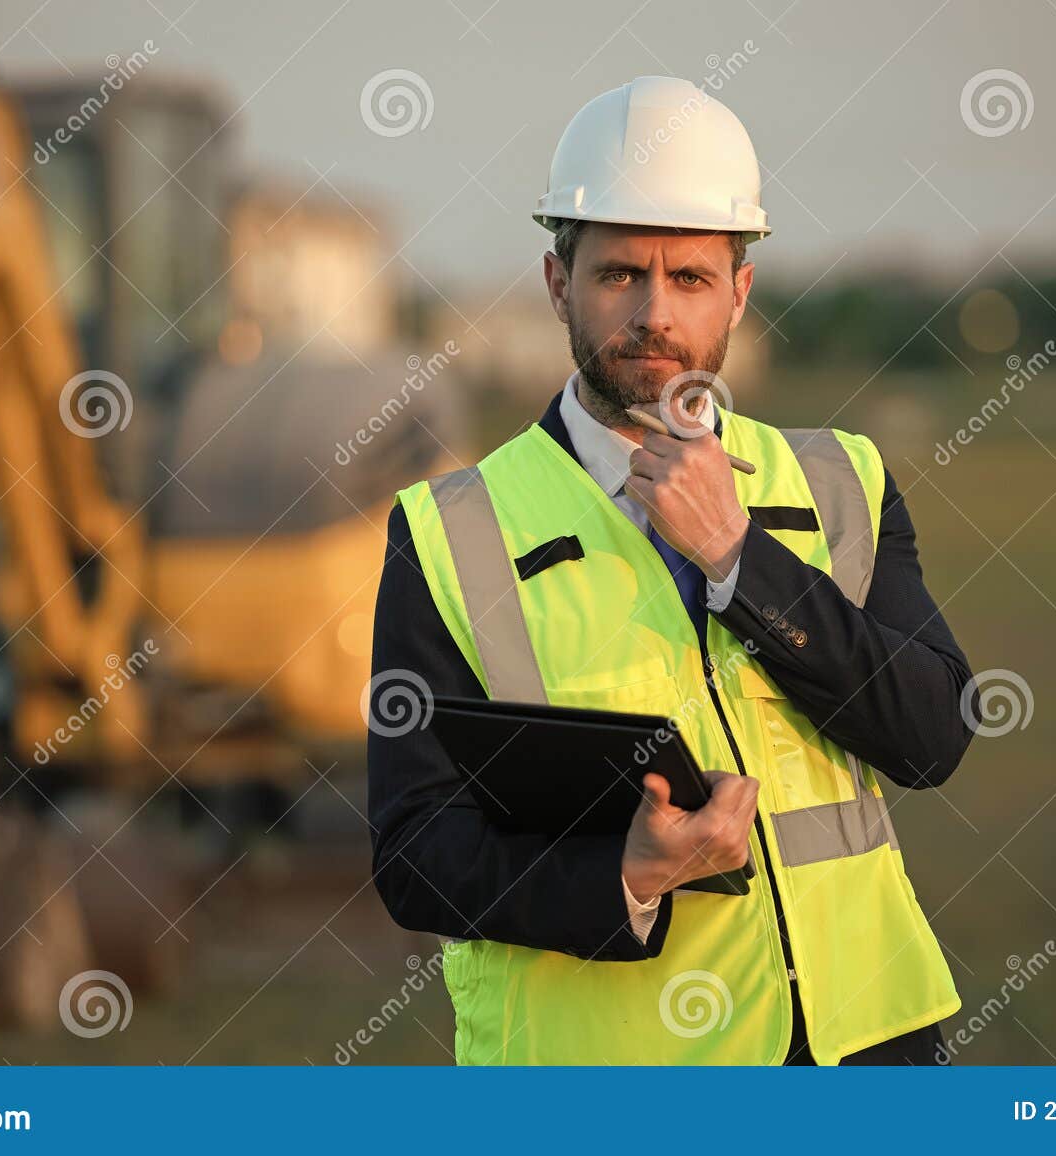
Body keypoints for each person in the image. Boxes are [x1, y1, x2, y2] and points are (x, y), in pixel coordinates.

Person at [368, 75, 979, 1065]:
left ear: (739, 288)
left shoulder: (841, 480)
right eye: (619, 275)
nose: (655, 314)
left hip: (868, 1046)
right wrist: (625, 877)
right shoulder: (449, 531)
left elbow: (932, 735)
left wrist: (740, 561)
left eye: (690, 278)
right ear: (558, 281)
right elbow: (414, 856)